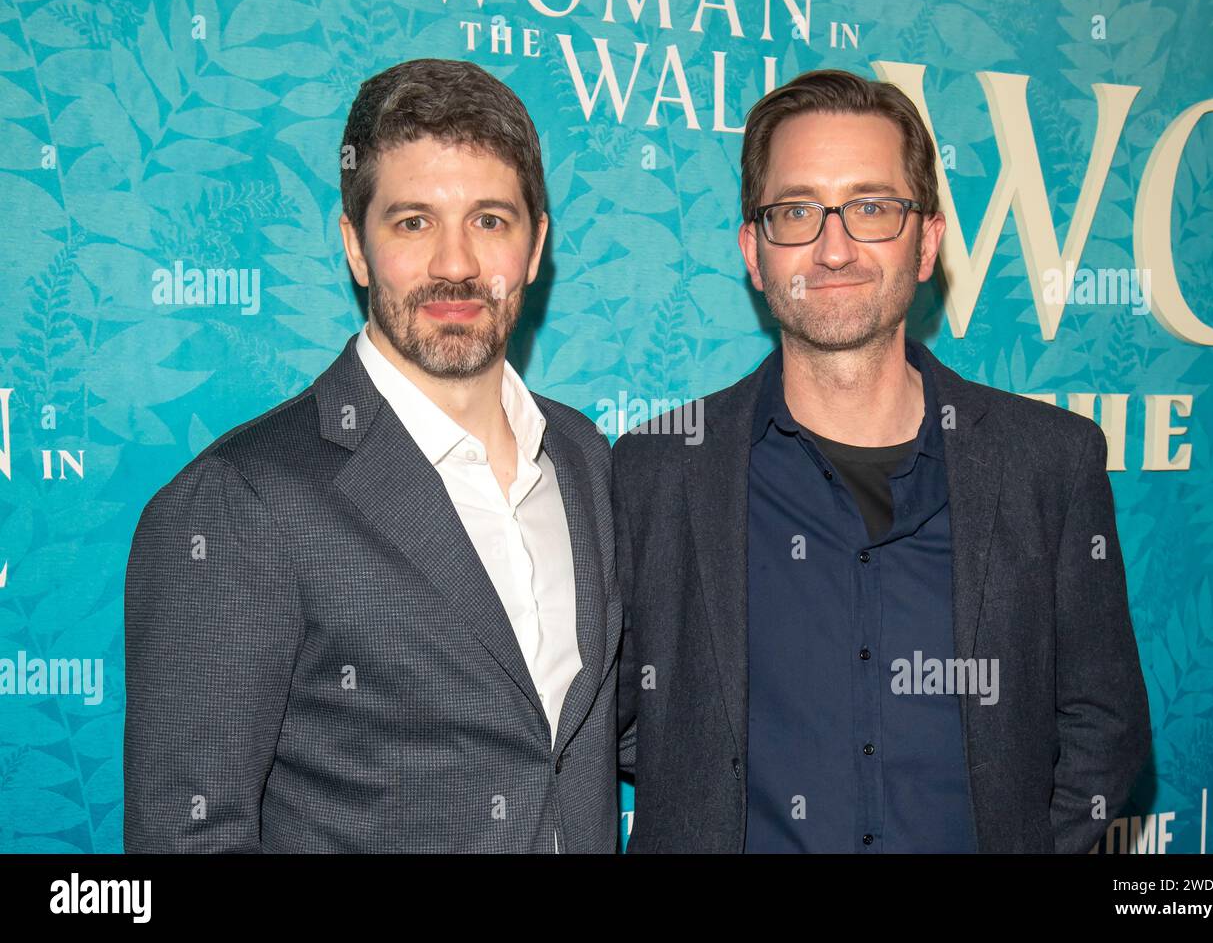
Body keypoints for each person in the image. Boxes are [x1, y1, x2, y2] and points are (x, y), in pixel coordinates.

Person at [613, 69, 1151, 853]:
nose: (834, 248)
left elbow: (1105, 724)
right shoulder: (656, 472)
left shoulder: (1050, 462)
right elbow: (619, 722)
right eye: (796, 211)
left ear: (927, 241)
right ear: (753, 252)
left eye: (871, 208)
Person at [124, 59, 622, 852]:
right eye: (413, 222)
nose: (456, 264)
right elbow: (189, 835)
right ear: (356, 248)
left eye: (490, 220)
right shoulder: (238, 501)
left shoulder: (583, 458)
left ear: (535, 249)